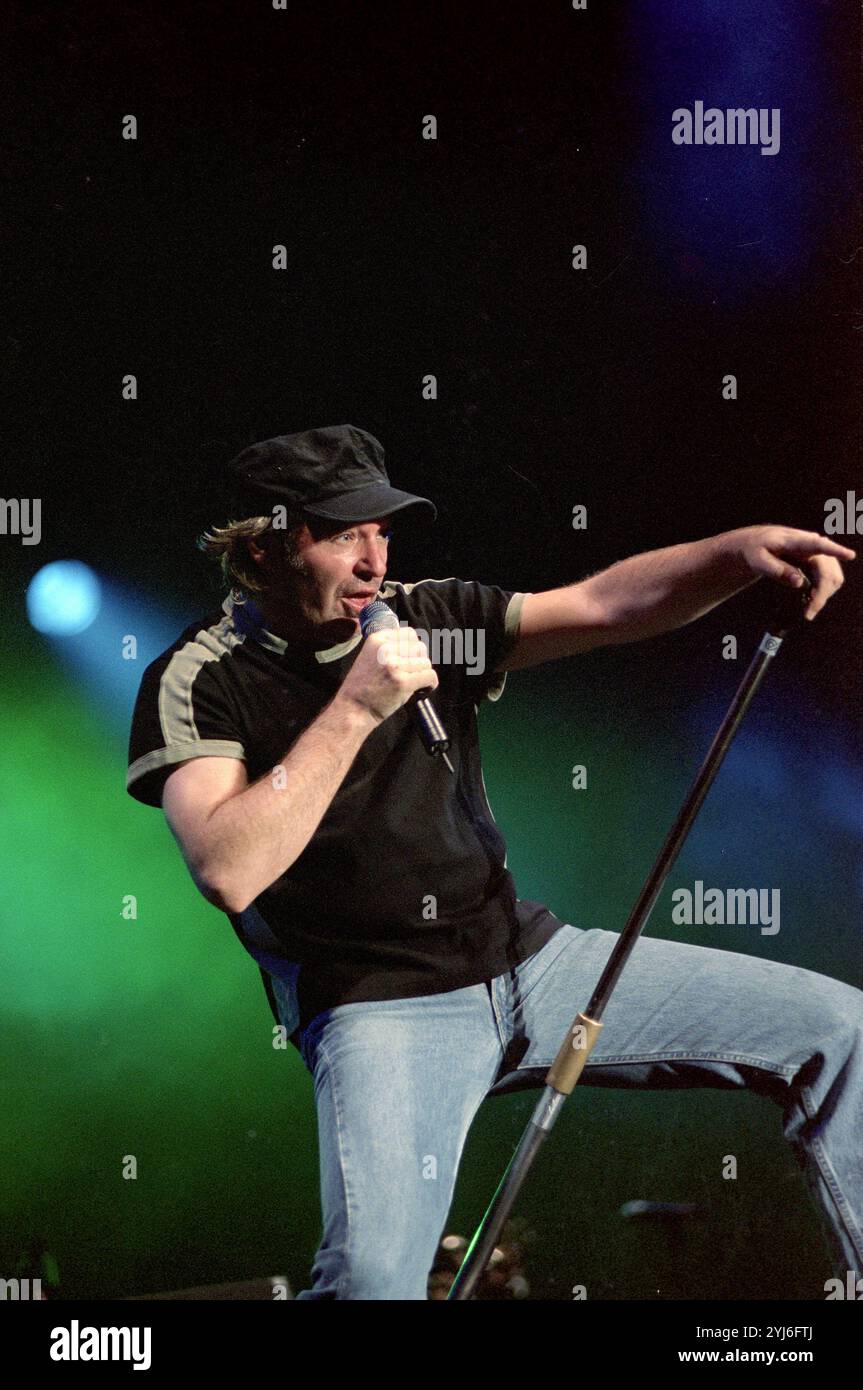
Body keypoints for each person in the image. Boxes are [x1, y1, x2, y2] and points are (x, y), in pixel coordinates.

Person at [126, 423, 861, 1300]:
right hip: (382, 1009)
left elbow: (600, 606)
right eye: (344, 534)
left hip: (531, 963)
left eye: (382, 532)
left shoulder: (425, 614)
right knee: (370, 1278)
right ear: (273, 543)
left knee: (838, 1029)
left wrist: (731, 554)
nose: (372, 560)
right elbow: (227, 870)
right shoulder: (201, 675)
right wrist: (357, 708)